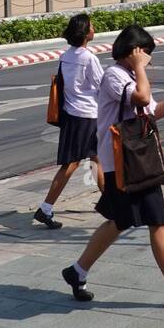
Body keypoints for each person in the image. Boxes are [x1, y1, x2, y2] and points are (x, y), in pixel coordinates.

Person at [62, 25, 164, 309]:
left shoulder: (130, 75)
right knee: (159, 221)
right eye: (146, 54)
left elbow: (152, 111)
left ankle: (77, 271)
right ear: (134, 52)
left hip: (132, 161)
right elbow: (141, 99)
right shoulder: (114, 76)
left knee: (119, 221)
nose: (149, 61)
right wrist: (139, 67)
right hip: (124, 163)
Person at [35, 14, 105, 229]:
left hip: (72, 114)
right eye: (91, 26)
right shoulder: (88, 58)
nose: (94, 28)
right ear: (85, 33)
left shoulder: (66, 55)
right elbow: (103, 85)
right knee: (73, 163)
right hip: (86, 115)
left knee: (96, 159)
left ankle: (113, 205)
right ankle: (45, 208)